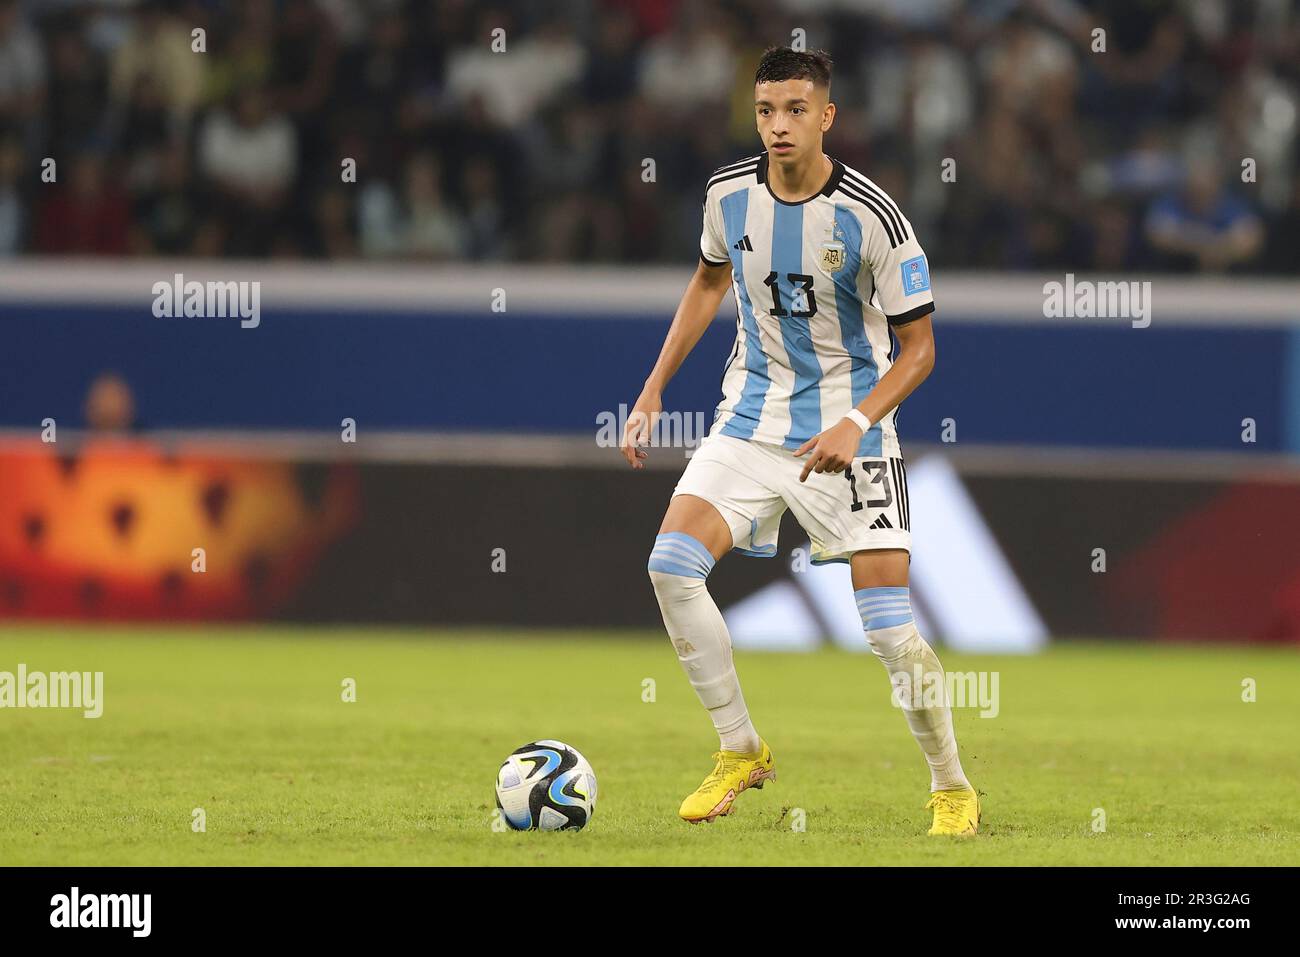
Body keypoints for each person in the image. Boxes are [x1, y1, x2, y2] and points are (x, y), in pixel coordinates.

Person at [621, 47, 978, 835]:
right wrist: (653, 387)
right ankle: (739, 747)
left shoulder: (872, 218)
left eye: (793, 110)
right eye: (764, 111)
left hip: (851, 431)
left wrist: (856, 421)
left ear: (826, 117)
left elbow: (920, 350)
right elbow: (709, 281)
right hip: (750, 419)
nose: (777, 126)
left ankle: (951, 784)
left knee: (889, 628)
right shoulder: (727, 195)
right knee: (670, 567)